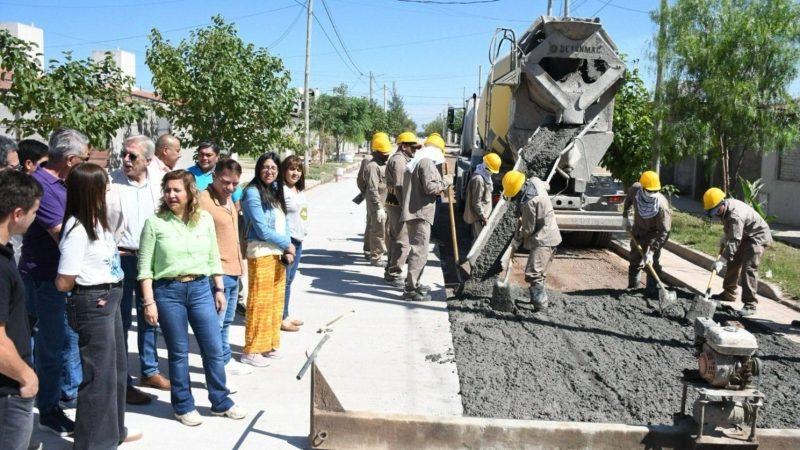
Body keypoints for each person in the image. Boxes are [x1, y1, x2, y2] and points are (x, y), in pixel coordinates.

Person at [138, 170, 247, 426]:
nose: (171, 195)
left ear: (190, 192)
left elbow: (212, 255)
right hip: (168, 292)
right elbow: (144, 269)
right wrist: (149, 302)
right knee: (178, 352)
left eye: (177, 190)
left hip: (200, 289)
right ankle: (183, 405)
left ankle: (220, 402)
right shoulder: (155, 223)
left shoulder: (205, 220)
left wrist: (219, 288)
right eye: (168, 190)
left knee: (212, 348)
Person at [55, 163, 142, 448]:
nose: (108, 189)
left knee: (116, 370)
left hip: (110, 296)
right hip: (93, 300)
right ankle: (94, 442)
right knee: (99, 375)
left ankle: (113, 432)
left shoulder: (98, 221)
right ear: (90, 190)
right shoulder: (77, 229)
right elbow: (64, 280)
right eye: (103, 185)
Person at [19, 128, 86, 436]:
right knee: (50, 346)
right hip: (44, 278)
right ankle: (47, 409)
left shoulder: (64, 183)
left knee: (58, 343)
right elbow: (63, 235)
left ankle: (52, 395)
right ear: (70, 160)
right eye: (83, 159)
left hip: (58, 276)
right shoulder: (43, 185)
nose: (85, 164)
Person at [106, 135, 168, 404]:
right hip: (120, 259)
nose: (126, 160)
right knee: (120, 321)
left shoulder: (158, 183)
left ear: (148, 160)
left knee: (150, 316)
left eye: (133, 156)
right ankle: (123, 380)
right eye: (124, 154)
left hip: (150, 259)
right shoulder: (111, 182)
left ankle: (150, 370)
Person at [197, 158, 252, 376]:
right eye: (226, 182)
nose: (230, 188)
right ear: (214, 177)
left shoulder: (228, 199)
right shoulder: (202, 201)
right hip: (216, 272)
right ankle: (214, 365)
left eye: (235, 184)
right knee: (215, 324)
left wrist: (240, 263)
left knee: (227, 320)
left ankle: (225, 358)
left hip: (233, 269)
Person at [0, 170, 42, 450]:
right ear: (17, 213)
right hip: (8, 391)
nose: (35, 218)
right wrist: (26, 377)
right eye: (34, 211)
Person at [240, 152, 295, 367]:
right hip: (261, 252)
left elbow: (284, 222)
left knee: (275, 303)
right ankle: (251, 350)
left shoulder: (274, 191)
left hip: (278, 253)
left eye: (273, 168)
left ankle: (269, 344)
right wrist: (287, 245)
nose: (269, 171)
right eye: (265, 167)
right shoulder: (252, 193)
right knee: (259, 303)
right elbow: (261, 229)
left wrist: (287, 248)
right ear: (258, 169)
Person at [703, 187, 772, 317]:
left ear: (721, 204)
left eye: (716, 211)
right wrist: (725, 237)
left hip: (757, 236)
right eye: (713, 213)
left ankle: (750, 305)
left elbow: (735, 240)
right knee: (733, 261)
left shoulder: (735, 215)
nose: (716, 215)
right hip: (744, 235)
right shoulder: (725, 208)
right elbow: (732, 232)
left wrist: (721, 260)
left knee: (749, 268)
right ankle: (729, 293)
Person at [400, 134, 451, 301]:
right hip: (420, 213)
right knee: (419, 252)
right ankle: (410, 289)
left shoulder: (416, 162)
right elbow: (431, 188)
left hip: (414, 211)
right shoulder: (427, 162)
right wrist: (446, 182)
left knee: (418, 251)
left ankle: (415, 283)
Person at [504, 170, 562, 311]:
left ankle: (540, 306)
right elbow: (546, 185)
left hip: (544, 239)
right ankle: (537, 300)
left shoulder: (529, 203)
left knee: (533, 273)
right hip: (552, 234)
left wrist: (517, 239)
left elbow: (528, 229)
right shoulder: (535, 181)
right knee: (540, 273)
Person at [621, 170, 672, 297]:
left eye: (655, 191)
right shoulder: (635, 190)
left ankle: (651, 291)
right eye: (650, 190)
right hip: (638, 231)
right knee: (634, 259)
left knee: (652, 263)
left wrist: (652, 251)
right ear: (642, 187)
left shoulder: (661, 206)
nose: (652, 193)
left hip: (653, 236)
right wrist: (625, 217)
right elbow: (628, 200)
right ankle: (633, 288)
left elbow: (664, 232)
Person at [383, 132, 421, 287]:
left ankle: (390, 271)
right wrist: (407, 209)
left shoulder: (402, 159)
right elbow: (400, 187)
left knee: (394, 239)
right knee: (402, 242)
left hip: (394, 204)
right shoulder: (399, 161)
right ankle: (395, 273)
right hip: (398, 205)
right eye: (413, 147)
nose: (415, 150)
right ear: (403, 146)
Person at [281, 155, 307, 333]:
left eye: (298, 169)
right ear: (284, 171)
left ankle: (286, 314)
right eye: (291, 169)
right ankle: (281, 318)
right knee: (283, 281)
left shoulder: (298, 190)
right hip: (288, 241)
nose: (295, 173)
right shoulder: (282, 191)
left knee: (289, 281)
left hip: (299, 240)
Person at [363, 133, 391, 266]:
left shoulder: (383, 164)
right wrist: (379, 206)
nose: (386, 155)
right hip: (376, 202)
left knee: (373, 226)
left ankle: (369, 251)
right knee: (378, 230)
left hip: (382, 202)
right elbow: (372, 189)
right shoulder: (373, 166)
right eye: (384, 153)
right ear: (377, 151)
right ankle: (376, 257)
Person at [464, 153, 500, 242]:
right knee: (478, 241)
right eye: (490, 170)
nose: (491, 173)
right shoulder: (479, 180)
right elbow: (476, 202)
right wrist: (484, 217)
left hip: (483, 216)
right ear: (485, 166)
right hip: (479, 218)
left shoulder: (485, 176)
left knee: (479, 240)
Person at [356, 147, 374, 258]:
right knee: (371, 222)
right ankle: (368, 250)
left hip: (387, 195)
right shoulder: (368, 160)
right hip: (372, 195)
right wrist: (365, 192)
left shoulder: (389, 157)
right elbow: (361, 179)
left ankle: (379, 248)